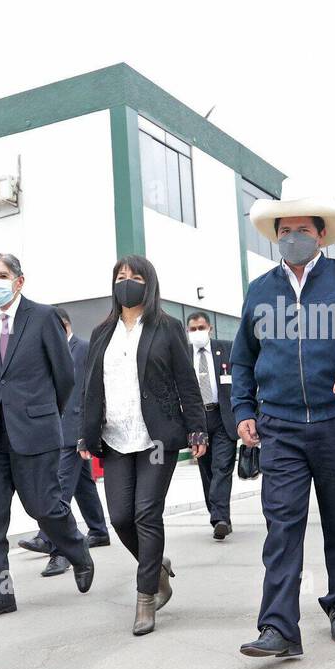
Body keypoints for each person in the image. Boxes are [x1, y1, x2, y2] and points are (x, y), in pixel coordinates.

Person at [233, 197, 335, 658]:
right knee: (282, 525)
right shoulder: (260, 290)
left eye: (302, 229)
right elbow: (245, 356)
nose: (292, 237)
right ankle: (278, 626)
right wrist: (243, 409)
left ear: (321, 235)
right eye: (285, 230)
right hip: (279, 425)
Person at [0, 252, 95, 621]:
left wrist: (43, 412)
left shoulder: (43, 317)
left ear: (19, 281)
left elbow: (64, 377)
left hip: (35, 433)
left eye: (1, 275)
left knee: (44, 508)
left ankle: (78, 551)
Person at [78, 256, 208, 636]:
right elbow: (90, 386)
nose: (128, 283)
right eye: (121, 277)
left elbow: (187, 382)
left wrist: (197, 430)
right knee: (120, 518)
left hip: (156, 437)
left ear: (148, 284)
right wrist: (85, 433)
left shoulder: (166, 327)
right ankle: (157, 568)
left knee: (146, 514)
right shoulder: (102, 331)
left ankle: (147, 597)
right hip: (116, 438)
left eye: (136, 277)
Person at [17, 308, 112, 575]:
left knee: (59, 488)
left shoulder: (83, 349)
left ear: (65, 326)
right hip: (54, 429)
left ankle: (53, 543)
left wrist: (87, 431)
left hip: (74, 430)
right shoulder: (48, 351)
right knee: (82, 484)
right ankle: (99, 530)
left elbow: (89, 390)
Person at [185, 312, 239, 540]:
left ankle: (220, 518)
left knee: (222, 468)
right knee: (206, 471)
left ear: (210, 329)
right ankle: (217, 513)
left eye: (201, 327)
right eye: (193, 329)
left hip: (222, 416)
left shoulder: (226, 348)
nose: (197, 332)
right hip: (198, 420)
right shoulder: (184, 355)